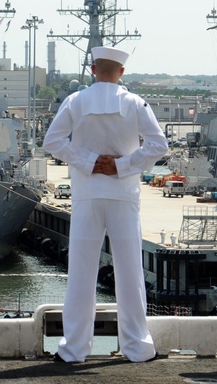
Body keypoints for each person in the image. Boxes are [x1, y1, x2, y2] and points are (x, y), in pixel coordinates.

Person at [42, 46, 169, 363]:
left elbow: (53, 142)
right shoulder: (135, 103)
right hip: (124, 194)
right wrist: (123, 165)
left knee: (81, 273)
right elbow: (159, 145)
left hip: (86, 194)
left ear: (93, 69)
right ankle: (138, 347)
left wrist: (88, 161)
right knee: (130, 272)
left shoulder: (76, 101)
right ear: (121, 72)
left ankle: (74, 349)